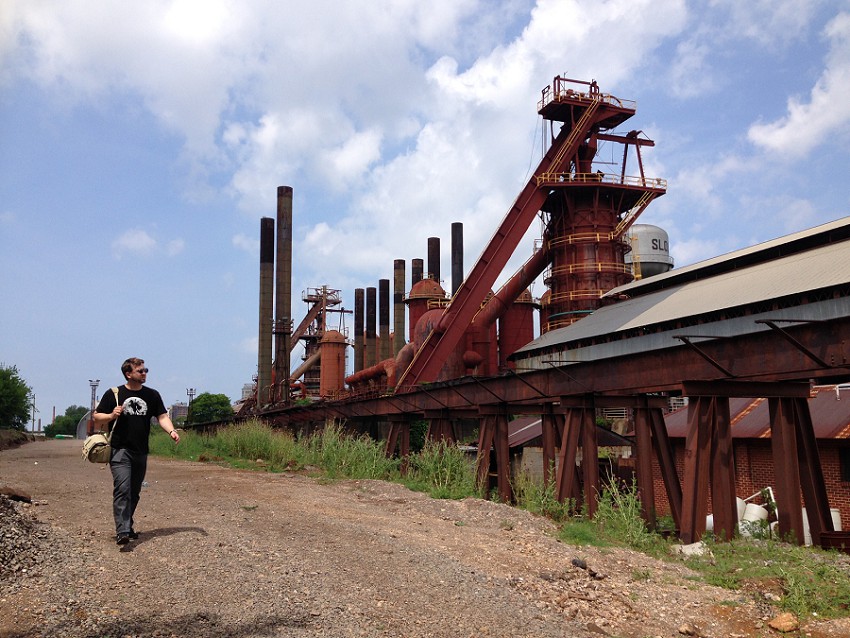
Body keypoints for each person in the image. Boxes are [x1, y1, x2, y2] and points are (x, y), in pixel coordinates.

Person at [94, 357, 180, 545]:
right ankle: (122, 531)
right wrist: (111, 415)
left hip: (141, 451)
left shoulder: (152, 395)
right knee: (122, 489)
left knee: (134, 491)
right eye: (140, 370)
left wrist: (171, 431)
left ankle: (128, 524)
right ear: (128, 373)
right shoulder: (114, 394)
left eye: (145, 370)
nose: (144, 373)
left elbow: (162, 416)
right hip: (119, 450)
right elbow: (97, 417)